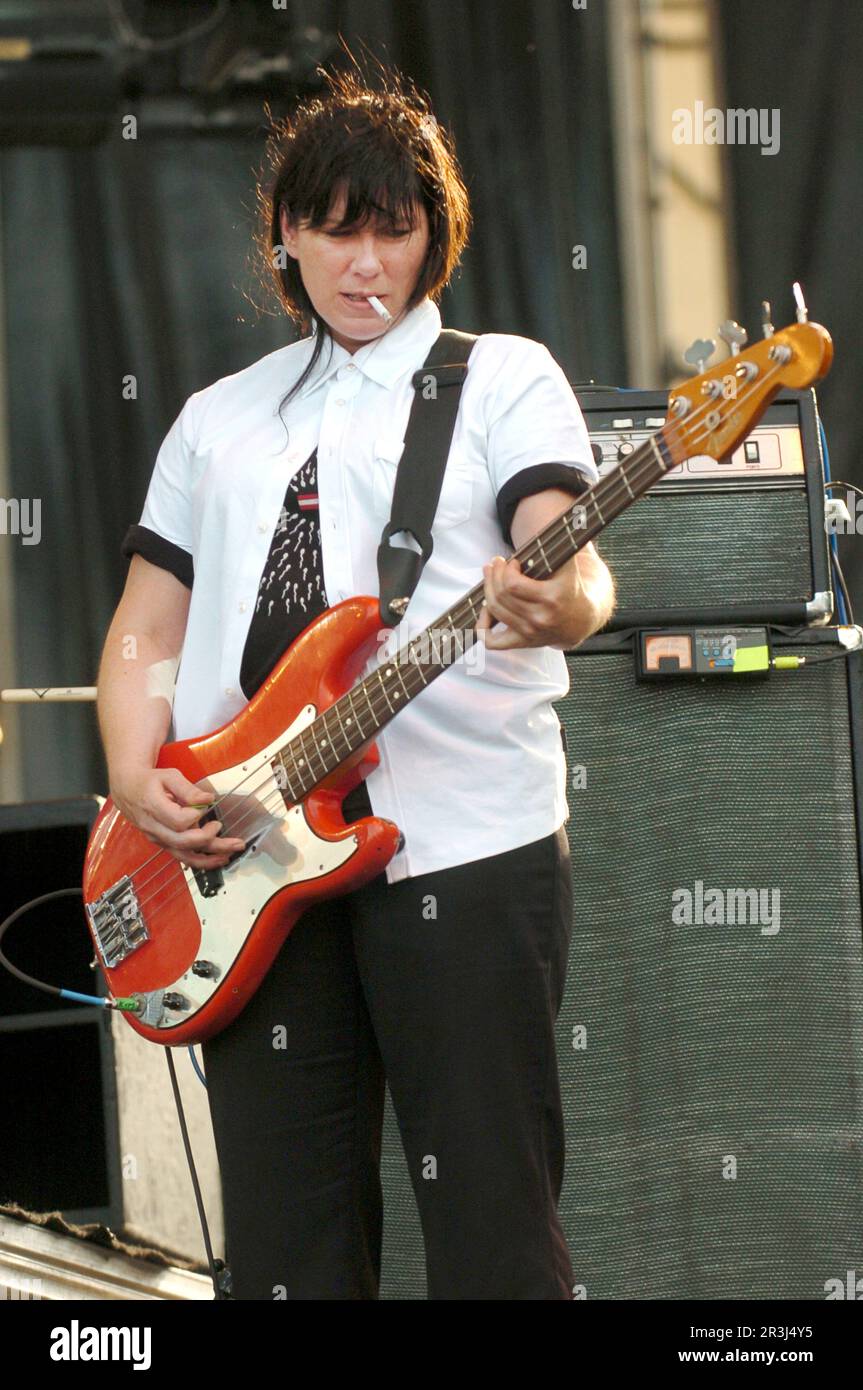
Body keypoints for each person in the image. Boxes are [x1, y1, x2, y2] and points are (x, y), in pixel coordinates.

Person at [96, 62, 615, 1300]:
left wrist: (566, 601)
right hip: (246, 854)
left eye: (394, 229)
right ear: (286, 233)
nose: (365, 261)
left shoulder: (499, 378)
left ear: (434, 237)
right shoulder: (216, 419)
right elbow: (142, 632)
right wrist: (130, 768)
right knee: (285, 1250)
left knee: (490, 1225)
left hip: (461, 847)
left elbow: (573, 564)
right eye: (336, 227)